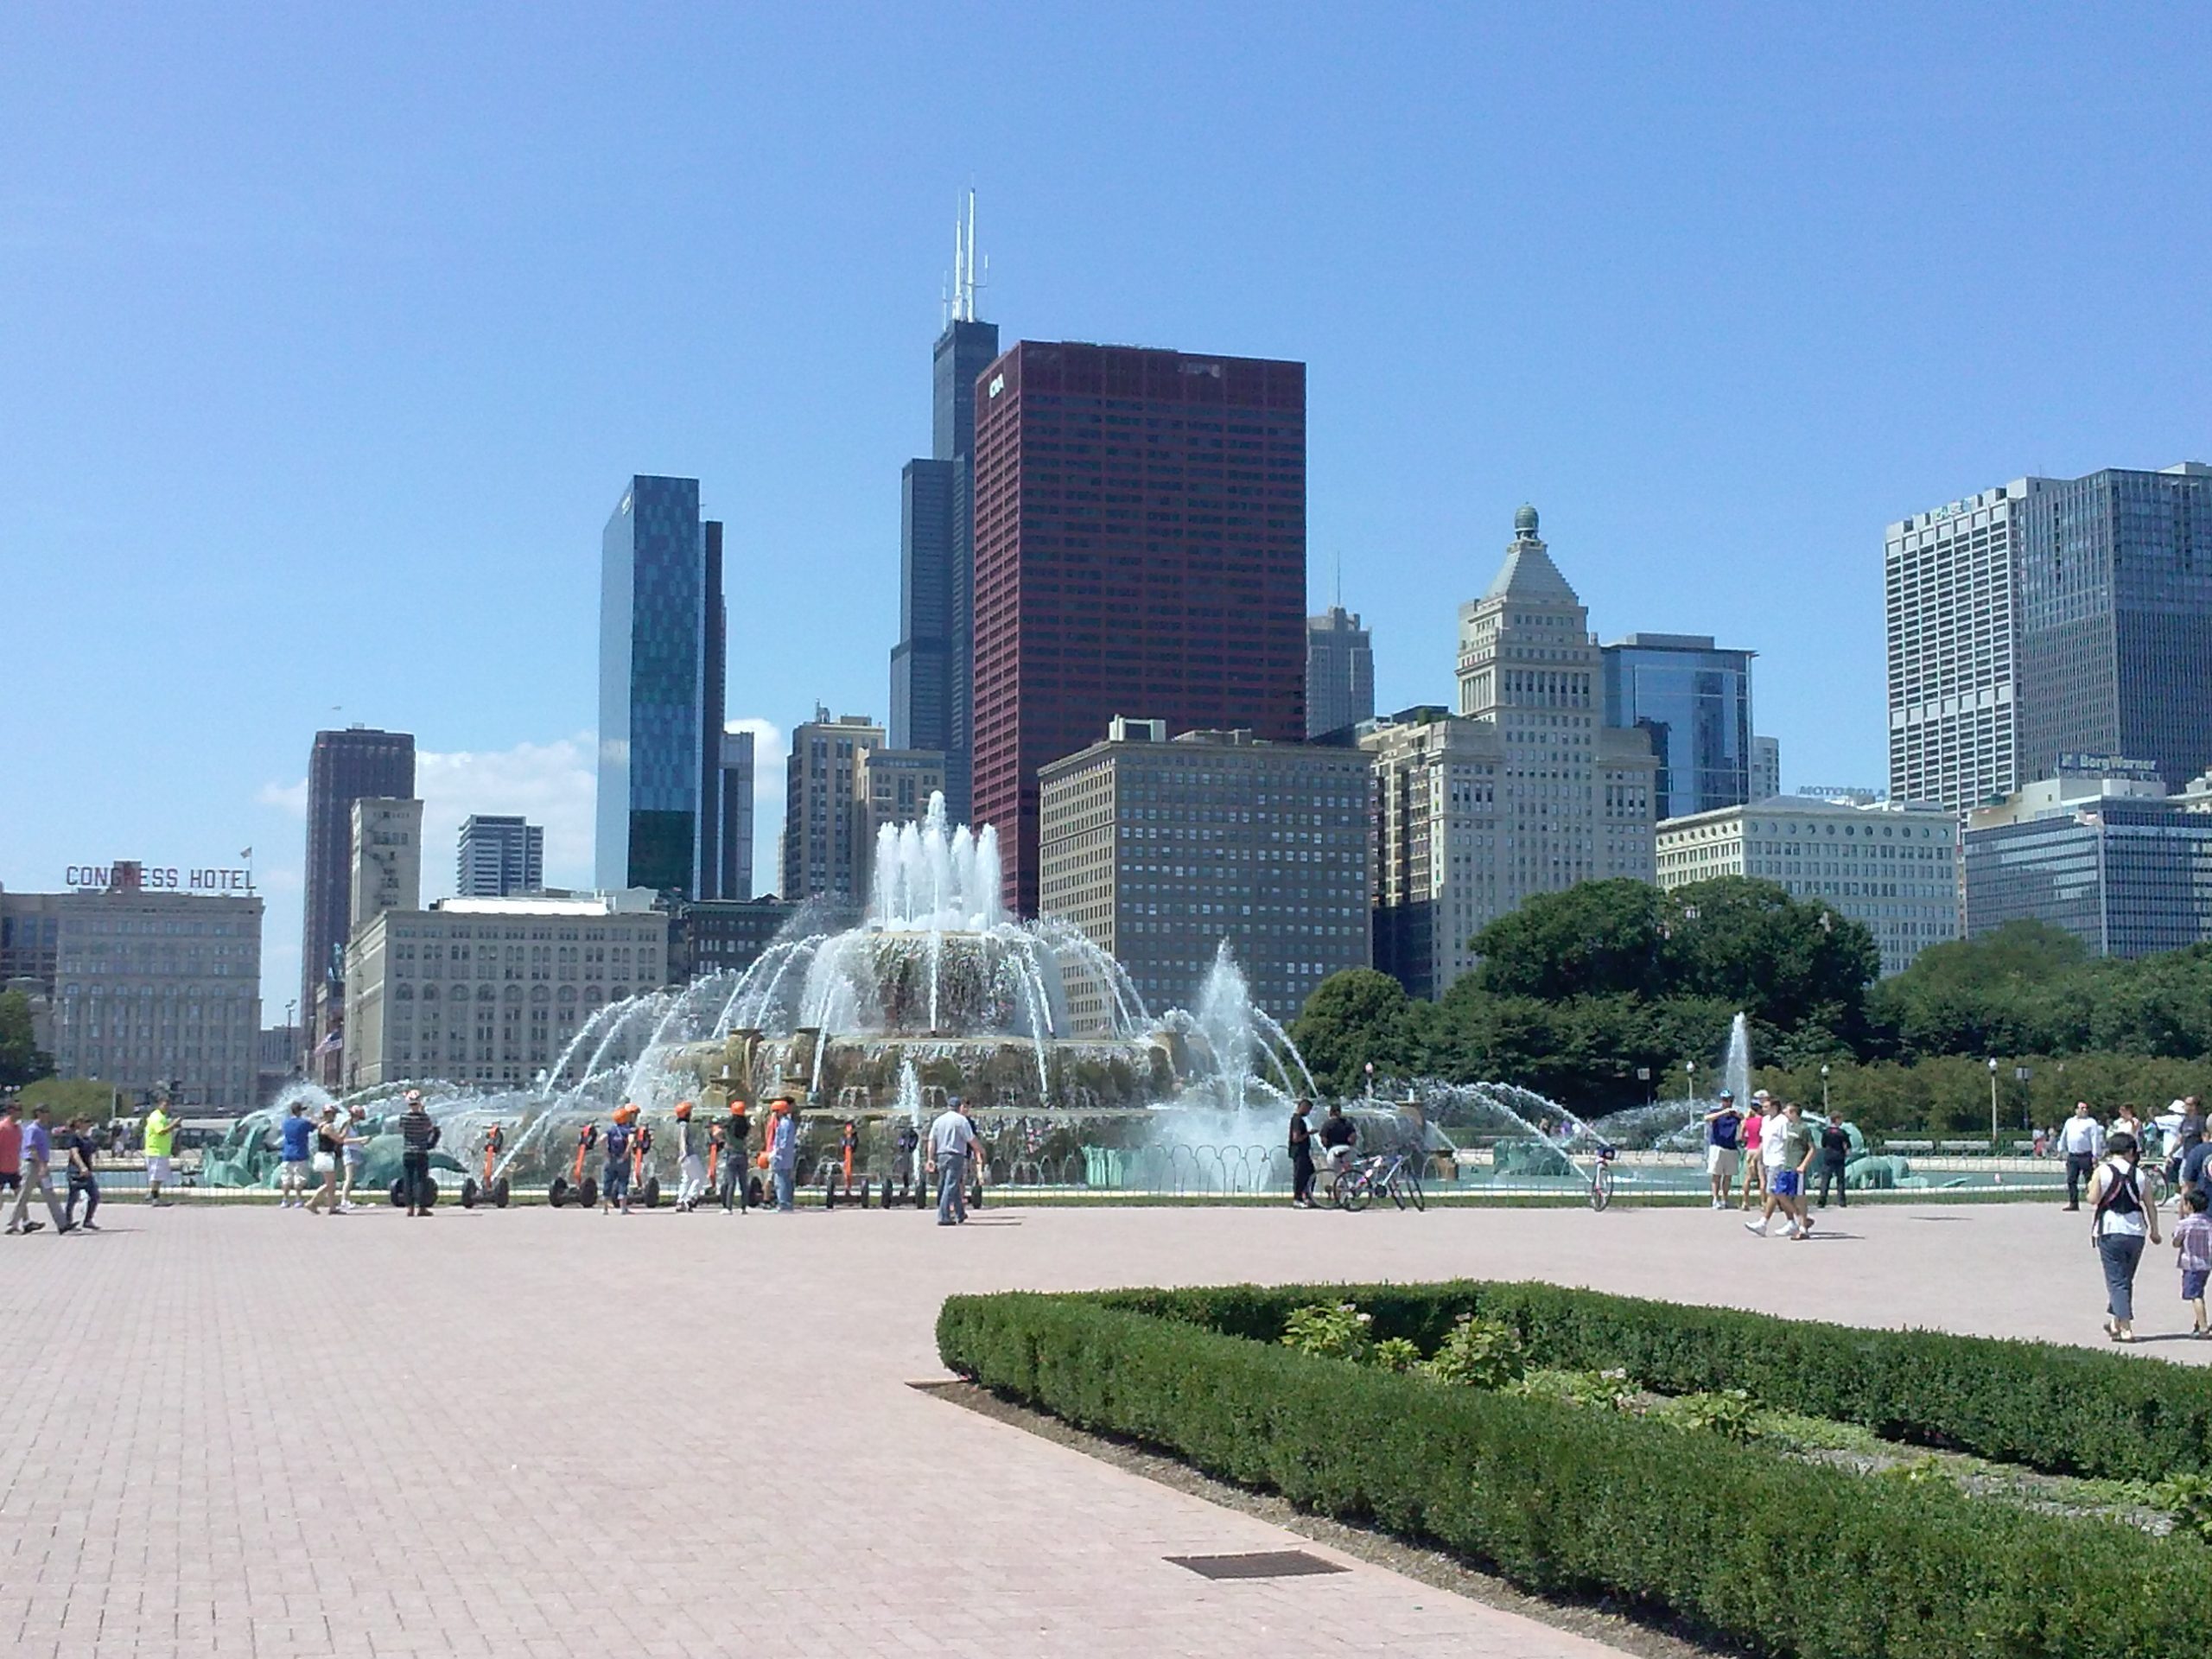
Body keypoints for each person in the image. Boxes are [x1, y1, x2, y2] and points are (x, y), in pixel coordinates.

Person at [2088, 1130, 2160, 1341]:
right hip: (2136, 1231)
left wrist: (2091, 1187)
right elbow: (2150, 1205)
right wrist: (2155, 1230)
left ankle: (2126, 1327)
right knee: (2125, 1278)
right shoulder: (2140, 1174)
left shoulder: (2102, 1170)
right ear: (2130, 1151)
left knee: (2116, 1280)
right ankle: (2115, 1323)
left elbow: (2093, 1199)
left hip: (2110, 1228)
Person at [1748, 1099, 1815, 1240]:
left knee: (1797, 1196)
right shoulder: (1783, 1124)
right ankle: (1799, 1221)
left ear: (1793, 1112)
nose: (1785, 1112)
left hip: (1789, 1165)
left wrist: (1803, 1165)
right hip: (1783, 1165)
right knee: (1779, 1193)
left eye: (1787, 1110)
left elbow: (1812, 1149)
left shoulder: (1800, 1127)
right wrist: (1756, 1157)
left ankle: (1800, 1226)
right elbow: (1766, 1141)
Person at [5, 1105, 70, 1235]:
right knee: (24, 1195)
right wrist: (41, 1165)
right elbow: (32, 1148)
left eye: (48, 1111)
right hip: (32, 1165)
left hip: (42, 1166)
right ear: (38, 1113)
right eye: (45, 1112)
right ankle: (13, 1224)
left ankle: (62, 1224)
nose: (48, 1114)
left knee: (50, 1194)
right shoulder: (32, 1129)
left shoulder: (43, 1129)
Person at [927, 1096, 978, 1226]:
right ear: (958, 1107)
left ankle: (960, 1214)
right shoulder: (961, 1120)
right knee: (950, 1185)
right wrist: (980, 1150)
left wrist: (930, 1158)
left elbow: (932, 1141)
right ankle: (944, 1216)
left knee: (950, 1185)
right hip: (956, 1156)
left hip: (941, 1155)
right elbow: (971, 1139)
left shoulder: (939, 1120)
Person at [395, 1089, 441, 1217]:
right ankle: (422, 1208)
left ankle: (409, 1208)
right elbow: (430, 1129)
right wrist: (423, 1111)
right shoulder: (424, 1118)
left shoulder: (404, 1117)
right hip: (421, 1151)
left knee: (408, 1180)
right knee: (421, 1180)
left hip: (408, 1152)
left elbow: (401, 1129)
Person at [2175, 1190, 2212, 1339]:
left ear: (2189, 1205)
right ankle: (2199, 1323)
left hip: (2190, 1264)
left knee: (2195, 1295)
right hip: (2206, 1264)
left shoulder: (2185, 1224)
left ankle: (2203, 1327)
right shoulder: (2209, 1222)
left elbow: (2176, 1241)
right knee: (2200, 1291)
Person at [2058, 1102, 2105, 1211]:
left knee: (2090, 1180)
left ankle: (2095, 1202)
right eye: (2082, 1108)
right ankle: (2073, 1203)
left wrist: (2095, 1155)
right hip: (2073, 1155)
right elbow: (2064, 1136)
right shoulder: (2069, 1122)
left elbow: (2094, 1139)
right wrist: (2061, 1149)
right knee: (2071, 1179)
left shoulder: (2091, 1122)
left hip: (2086, 1155)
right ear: (2076, 1110)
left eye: (2086, 1108)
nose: (2084, 1110)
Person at [1703, 1090, 1743, 1211]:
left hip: (1731, 1147)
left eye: (1730, 1100)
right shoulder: (1716, 1112)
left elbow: (1745, 1119)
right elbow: (1707, 1118)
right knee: (1716, 1175)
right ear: (1722, 1101)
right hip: (1717, 1146)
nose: (1728, 1103)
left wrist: (1738, 1115)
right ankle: (1715, 1199)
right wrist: (1723, 1112)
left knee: (1728, 1176)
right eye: (1726, 1100)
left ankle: (1725, 1200)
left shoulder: (1735, 1115)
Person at [302, 1105, 343, 1216]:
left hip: (325, 1155)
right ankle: (312, 1202)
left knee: (330, 1183)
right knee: (330, 1183)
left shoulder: (322, 1125)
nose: (335, 1116)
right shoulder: (328, 1127)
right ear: (328, 1114)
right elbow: (339, 1139)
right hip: (326, 1156)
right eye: (333, 1114)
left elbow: (315, 1119)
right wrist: (346, 1131)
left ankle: (332, 1207)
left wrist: (310, 1113)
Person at [63, 1116, 103, 1232]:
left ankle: (88, 1220)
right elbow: (75, 1154)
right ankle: (67, 1221)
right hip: (76, 1171)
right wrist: (82, 1167)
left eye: (90, 1122)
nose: (89, 1125)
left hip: (87, 1172)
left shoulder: (88, 1139)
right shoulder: (74, 1138)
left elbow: (91, 1152)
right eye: (86, 1122)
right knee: (73, 1197)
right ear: (79, 1123)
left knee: (95, 1196)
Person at [142, 1096, 178, 1206]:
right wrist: (174, 1124)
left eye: (168, 1105)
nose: (167, 1107)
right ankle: (154, 1197)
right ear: (159, 1105)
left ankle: (153, 1193)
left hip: (161, 1151)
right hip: (156, 1151)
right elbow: (161, 1132)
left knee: (159, 1175)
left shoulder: (161, 1116)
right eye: (165, 1105)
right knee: (156, 1175)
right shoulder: (157, 1117)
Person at [1318, 1102, 1358, 1199]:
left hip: (1334, 1151)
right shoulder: (1347, 1123)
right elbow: (1352, 1138)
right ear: (1339, 1112)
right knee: (1346, 1173)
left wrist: (1327, 1145)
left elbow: (1324, 1140)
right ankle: (1347, 1193)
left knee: (1337, 1174)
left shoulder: (1327, 1124)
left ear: (1331, 1112)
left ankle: (1337, 1196)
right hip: (1347, 1150)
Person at [276, 1102, 314, 1208]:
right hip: (300, 1154)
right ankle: (298, 1199)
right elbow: (315, 1126)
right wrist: (311, 1115)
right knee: (299, 1178)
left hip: (287, 1154)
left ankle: (284, 1200)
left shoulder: (285, 1123)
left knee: (286, 1178)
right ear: (300, 1111)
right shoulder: (303, 1123)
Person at [601, 1106, 636, 1214]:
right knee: (623, 1182)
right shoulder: (627, 1130)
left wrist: (605, 1152)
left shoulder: (611, 1129)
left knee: (608, 1182)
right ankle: (623, 1208)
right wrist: (626, 1153)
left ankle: (605, 1208)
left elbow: (601, 1139)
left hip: (611, 1158)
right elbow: (632, 1140)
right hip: (623, 1159)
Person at [1738, 1091, 1770, 1211]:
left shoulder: (1746, 1121)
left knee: (1748, 1177)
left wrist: (1746, 1139)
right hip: (1760, 1149)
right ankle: (1763, 1203)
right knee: (1762, 1178)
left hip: (1749, 1149)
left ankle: (1745, 1202)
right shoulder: (1764, 1121)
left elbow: (1741, 1137)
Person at [1814, 1111, 1852, 1209]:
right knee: (1840, 1181)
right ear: (1837, 1119)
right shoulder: (1842, 1133)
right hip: (1839, 1157)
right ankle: (1841, 1201)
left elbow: (1823, 1144)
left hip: (1828, 1157)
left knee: (1825, 1180)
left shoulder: (1826, 1132)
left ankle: (1822, 1201)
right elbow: (1847, 1145)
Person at [674, 1102, 707, 1212]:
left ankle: (680, 1201)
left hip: (684, 1156)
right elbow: (682, 1139)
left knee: (686, 1178)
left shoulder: (678, 1124)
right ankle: (690, 1199)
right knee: (700, 1177)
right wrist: (683, 1152)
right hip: (689, 1155)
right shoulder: (684, 1125)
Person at [719, 1099, 751, 1212]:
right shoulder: (746, 1125)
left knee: (731, 1182)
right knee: (743, 1182)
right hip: (743, 1154)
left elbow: (717, 1131)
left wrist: (723, 1141)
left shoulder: (729, 1125)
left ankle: (728, 1207)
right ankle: (744, 1207)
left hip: (731, 1154)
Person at [767, 1099, 798, 1213]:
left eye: (775, 1111)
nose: (774, 1114)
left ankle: (784, 1204)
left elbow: (783, 1142)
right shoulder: (788, 1122)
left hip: (782, 1158)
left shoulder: (784, 1124)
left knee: (781, 1181)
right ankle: (787, 1203)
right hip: (786, 1157)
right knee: (786, 1180)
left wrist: (776, 1152)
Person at [336, 1104, 368, 1211]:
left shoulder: (353, 1126)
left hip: (354, 1151)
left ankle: (346, 1200)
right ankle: (344, 1200)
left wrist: (362, 1142)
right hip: (349, 1152)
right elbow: (343, 1140)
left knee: (351, 1177)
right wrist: (360, 1140)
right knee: (349, 1178)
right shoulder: (347, 1125)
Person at [1288, 1100, 1316, 1208]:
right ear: (1303, 1107)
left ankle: (1307, 1196)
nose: (1309, 1112)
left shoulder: (1299, 1120)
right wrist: (1309, 1133)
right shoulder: (1297, 1120)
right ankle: (1298, 1198)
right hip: (1299, 1152)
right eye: (1308, 1109)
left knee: (1311, 1173)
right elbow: (1296, 1138)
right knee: (1300, 1176)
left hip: (1303, 1152)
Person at [1, 1097, 22, 1208]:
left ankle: (26, 1221)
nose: (21, 1112)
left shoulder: (18, 1128)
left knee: (20, 1197)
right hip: (1, 1169)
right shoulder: (2, 1127)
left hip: (13, 1169)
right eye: (18, 1109)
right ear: (11, 1111)